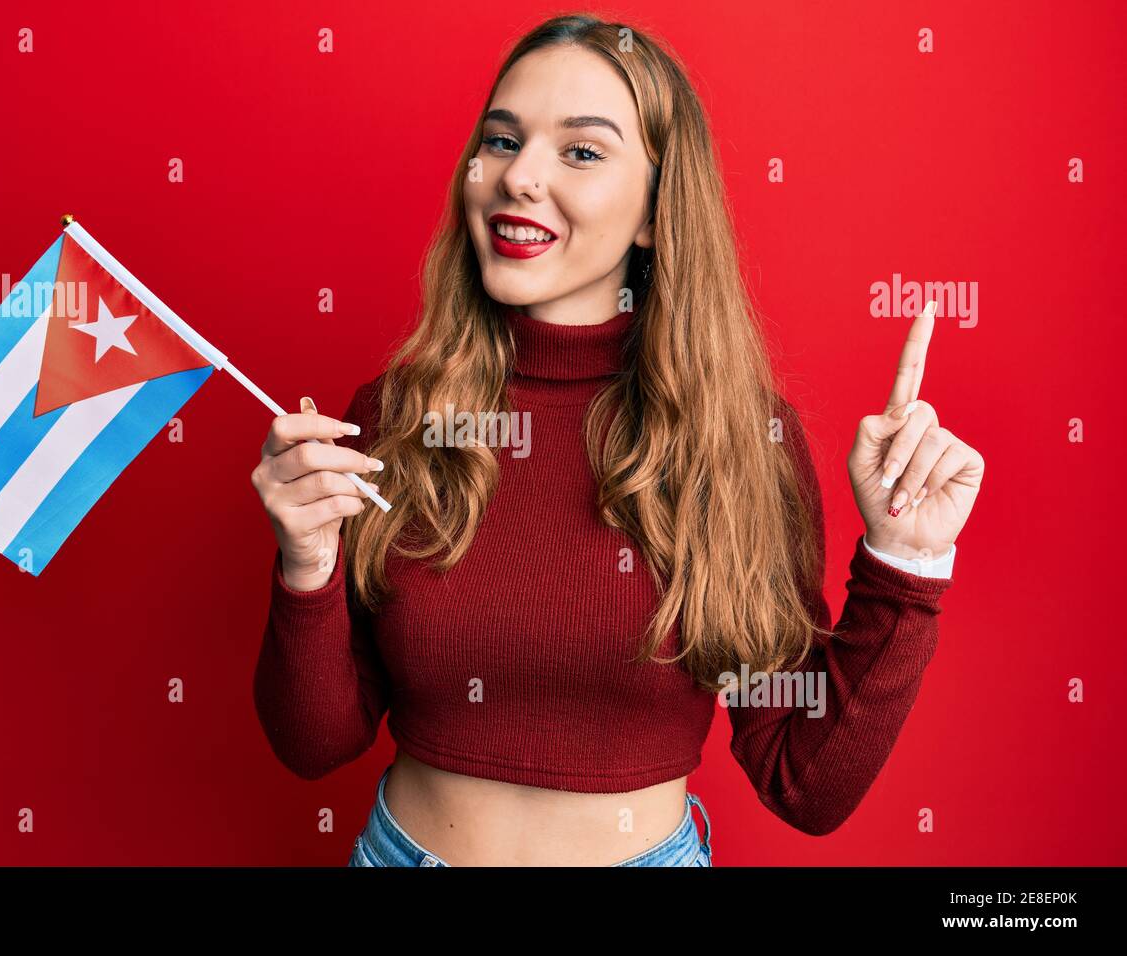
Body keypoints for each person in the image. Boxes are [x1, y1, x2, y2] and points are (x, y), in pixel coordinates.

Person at [250, 13, 984, 867]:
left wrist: (905, 561)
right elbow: (316, 744)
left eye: (582, 152)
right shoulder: (397, 416)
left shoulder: (738, 439)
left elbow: (806, 781)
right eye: (501, 139)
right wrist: (306, 568)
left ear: (653, 211)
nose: (518, 176)